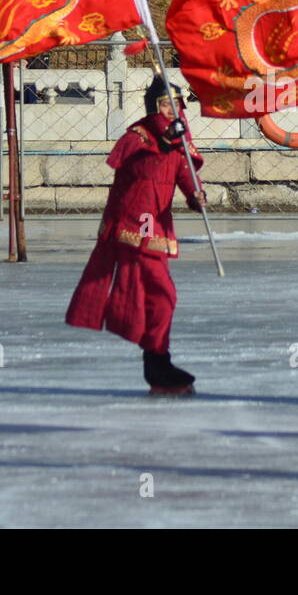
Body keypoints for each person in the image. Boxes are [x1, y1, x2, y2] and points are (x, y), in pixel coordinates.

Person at [65, 76, 206, 395]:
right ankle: (157, 362)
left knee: (155, 298)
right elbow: (127, 163)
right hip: (134, 222)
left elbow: (185, 173)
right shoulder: (139, 135)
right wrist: (165, 140)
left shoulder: (180, 139)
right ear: (154, 107)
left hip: (158, 223)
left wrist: (196, 196)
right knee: (162, 294)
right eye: (166, 104)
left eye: (177, 103)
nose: (173, 109)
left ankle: (157, 362)